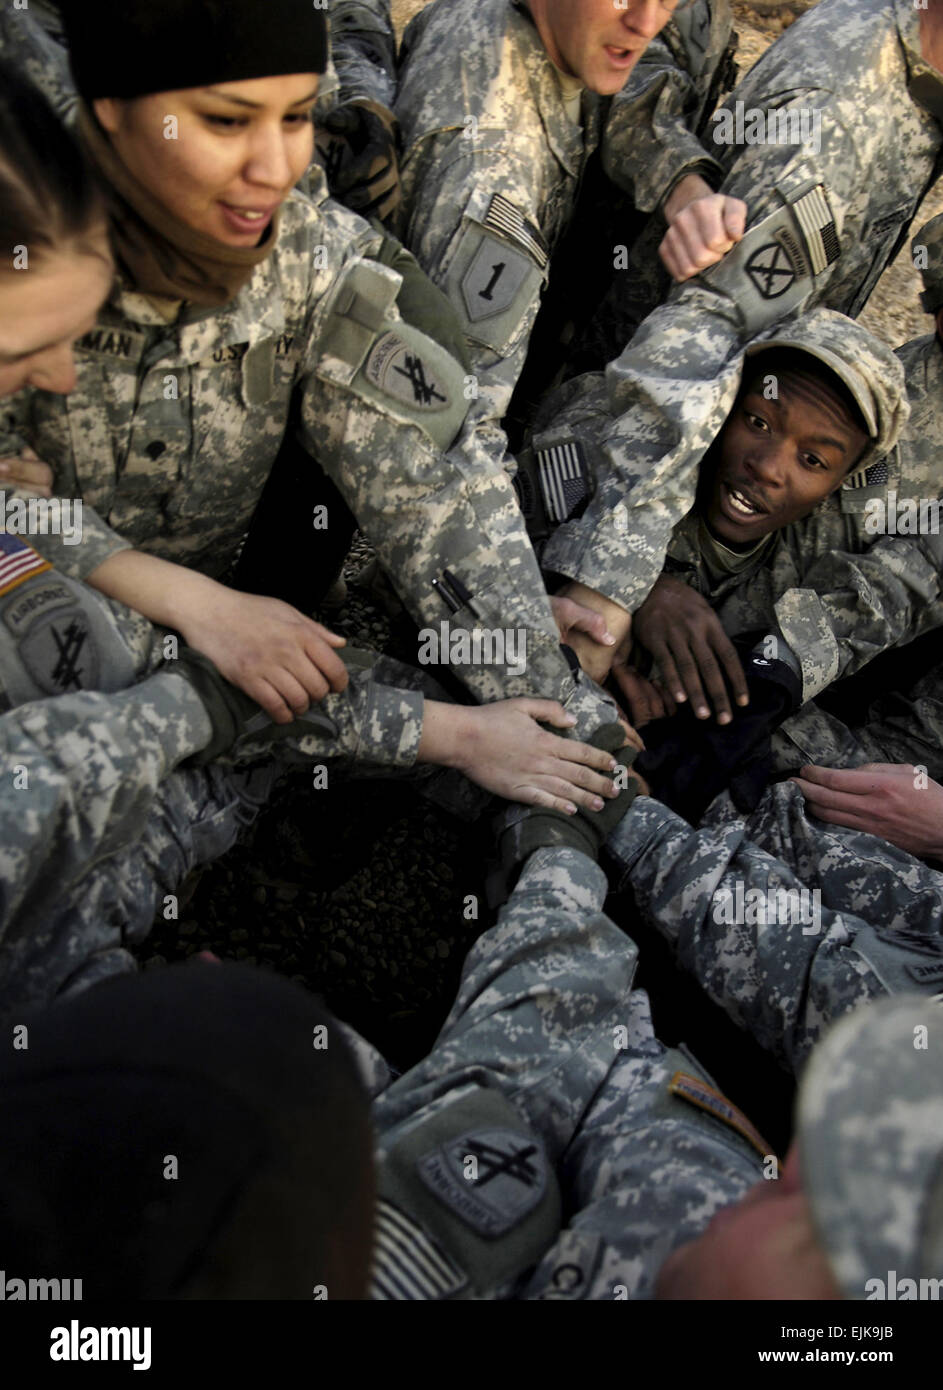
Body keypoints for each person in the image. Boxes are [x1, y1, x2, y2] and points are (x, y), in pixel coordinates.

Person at [2, 801, 940, 1300]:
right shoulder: (709, 1219)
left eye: (831, 1222)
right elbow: (590, 1056)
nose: (807, 1156)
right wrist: (558, 856)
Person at [535, 0, 943, 682]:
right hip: (613, 458)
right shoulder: (838, 123)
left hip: (709, 471)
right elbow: (698, 348)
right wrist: (618, 583)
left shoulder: (911, 71)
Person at [393, 0, 741, 462]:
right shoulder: (494, 169)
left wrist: (680, 181)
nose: (647, 22)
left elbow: (632, 71)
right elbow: (447, 447)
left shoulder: (559, 31)